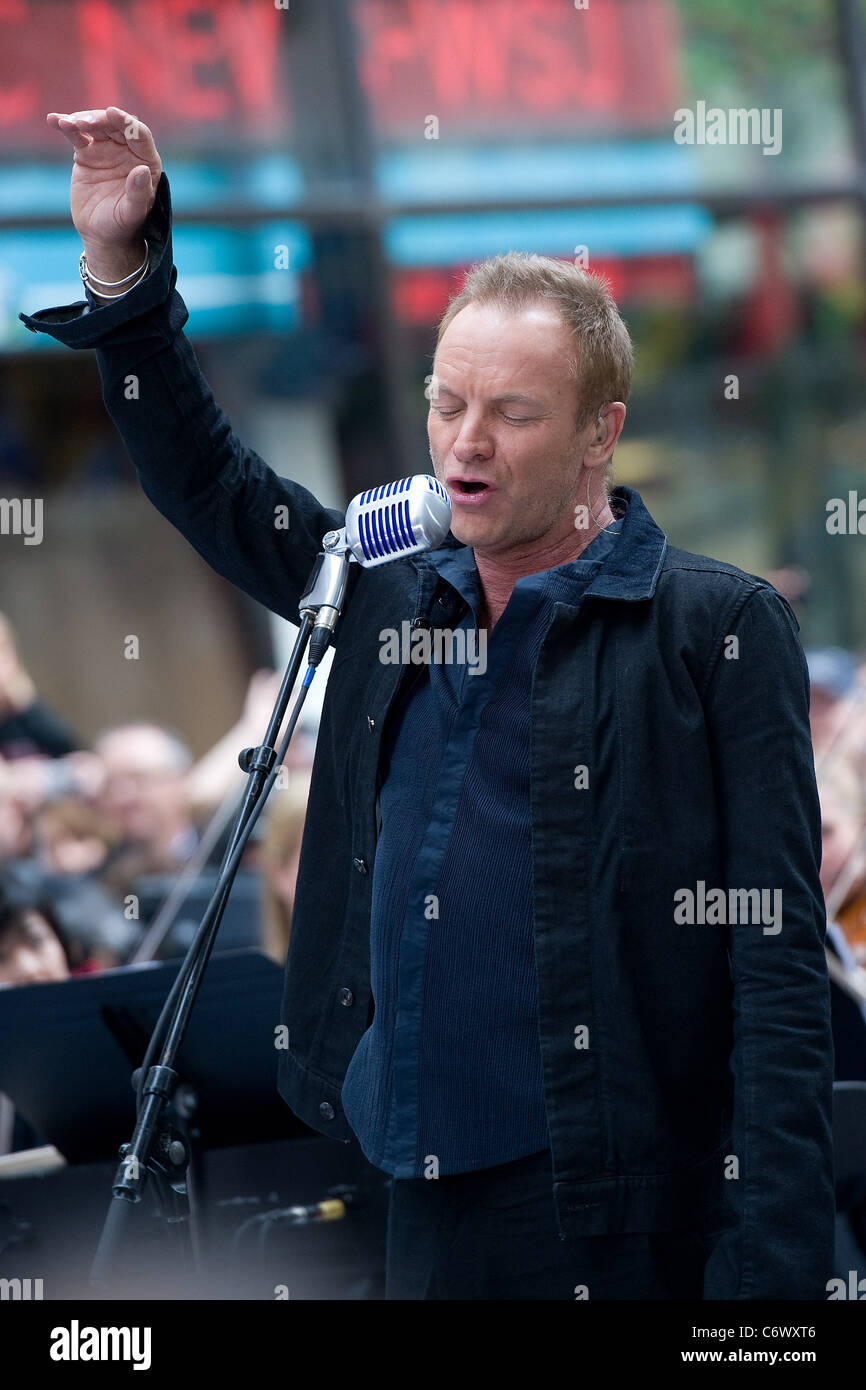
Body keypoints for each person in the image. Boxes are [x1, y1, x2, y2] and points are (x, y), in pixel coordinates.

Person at [19, 107, 835, 1301]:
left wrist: (771, 1290)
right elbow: (208, 481)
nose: (465, 439)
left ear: (600, 432)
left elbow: (772, 971)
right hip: (404, 1188)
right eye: (449, 402)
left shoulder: (708, 627)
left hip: (609, 1212)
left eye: (511, 411)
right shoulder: (380, 583)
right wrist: (125, 271)